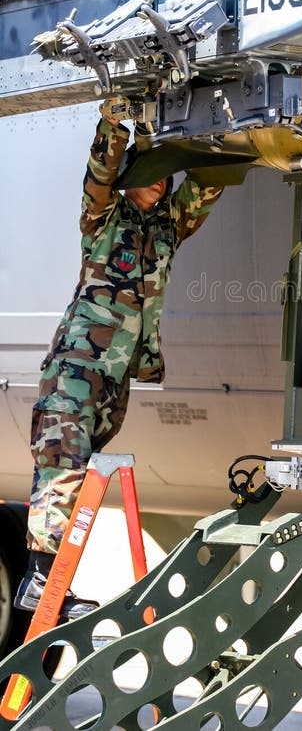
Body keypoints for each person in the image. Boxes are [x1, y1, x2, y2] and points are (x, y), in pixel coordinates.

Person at [14, 99, 223, 617]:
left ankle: (55, 585)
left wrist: (227, 130)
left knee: (85, 478)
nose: (158, 183)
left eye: (162, 178)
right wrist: (114, 124)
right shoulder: (103, 218)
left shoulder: (168, 228)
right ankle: (40, 583)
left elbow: (209, 183)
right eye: (147, 175)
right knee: (62, 464)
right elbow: (99, 176)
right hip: (78, 367)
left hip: (116, 378)